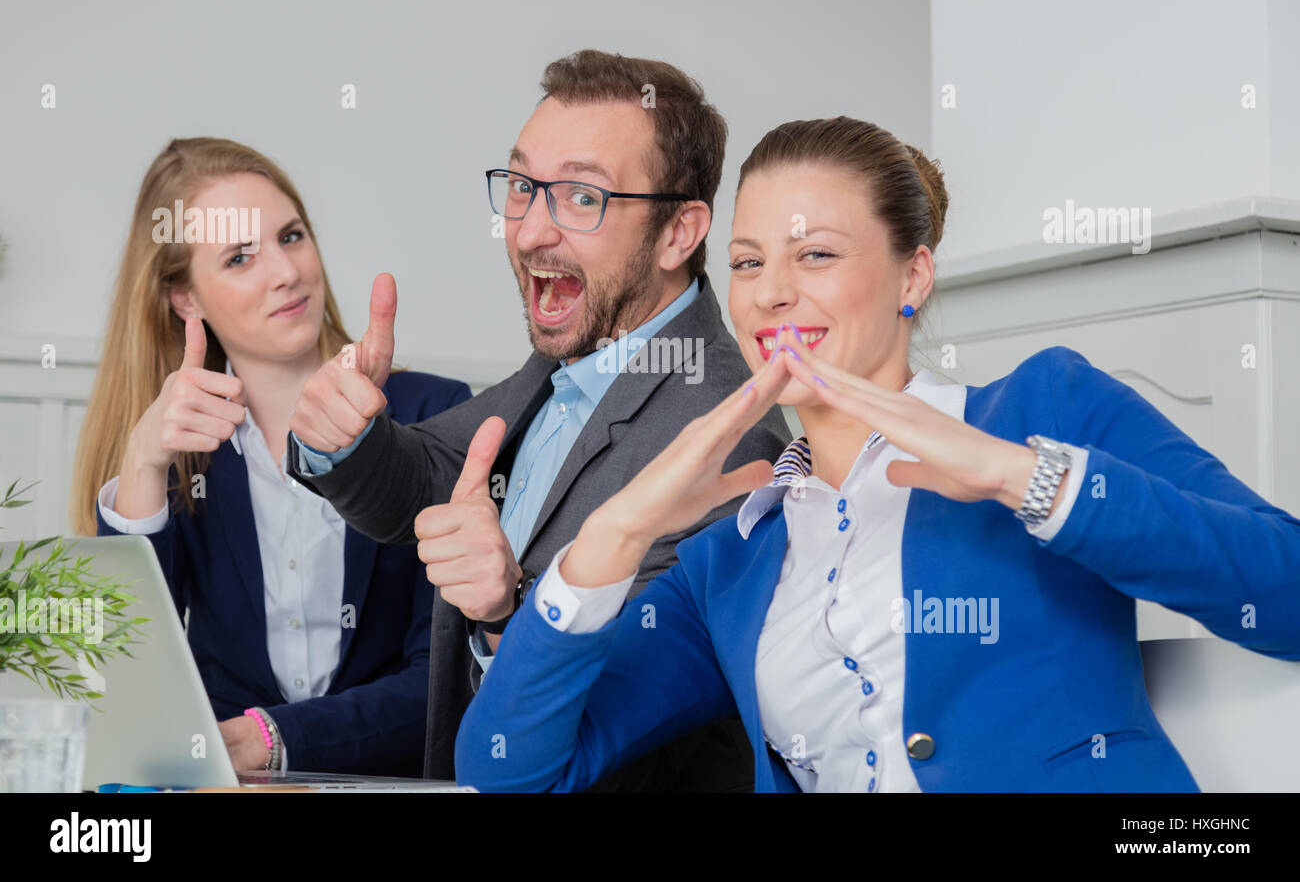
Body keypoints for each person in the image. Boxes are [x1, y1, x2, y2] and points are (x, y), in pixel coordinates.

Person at [452, 115, 1300, 792]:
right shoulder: (728, 563)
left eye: (815, 254)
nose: (772, 291)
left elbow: (1285, 589)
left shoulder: (1043, 406)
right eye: (747, 262)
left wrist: (1020, 478)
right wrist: (612, 535)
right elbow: (509, 766)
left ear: (913, 277)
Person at [285, 50, 790, 789]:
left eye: (582, 197)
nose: (527, 232)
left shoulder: (721, 432)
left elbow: (617, 714)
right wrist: (341, 438)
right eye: (523, 187)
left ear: (680, 233)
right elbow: (427, 479)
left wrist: (505, 609)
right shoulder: (572, 362)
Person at [71, 137, 473, 777]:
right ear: (186, 300)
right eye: (239, 257)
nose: (285, 272)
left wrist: (269, 738)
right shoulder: (182, 459)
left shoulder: (434, 413)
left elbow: (446, 683)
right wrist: (144, 464)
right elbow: (123, 672)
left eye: (290, 237)